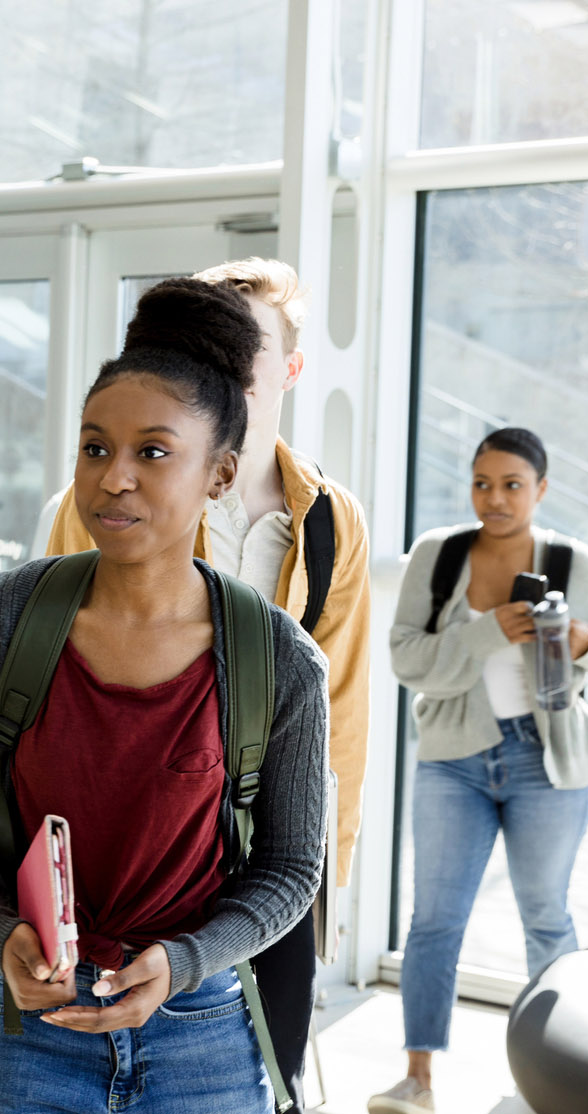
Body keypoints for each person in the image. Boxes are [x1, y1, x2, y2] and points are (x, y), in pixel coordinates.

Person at [0, 279, 330, 1114]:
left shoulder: (279, 660)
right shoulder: (0, 623)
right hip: (28, 1035)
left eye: (153, 452)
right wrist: (2, 936)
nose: (114, 479)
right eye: (94, 447)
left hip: (203, 1039)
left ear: (219, 472)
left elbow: (290, 869)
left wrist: (182, 962)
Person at [39, 259, 370, 1113]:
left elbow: (344, 706)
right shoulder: (103, 497)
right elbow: (52, 685)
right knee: (93, 1057)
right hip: (134, 841)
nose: (221, 364)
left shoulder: (327, 520)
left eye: (245, 347)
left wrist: (326, 863)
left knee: (264, 1067)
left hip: (264, 851)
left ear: (287, 367)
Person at [373, 427, 588, 1114]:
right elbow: (406, 659)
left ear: (540, 490)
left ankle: (558, 1083)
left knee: (546, 920)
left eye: (511, 485)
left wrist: (583, 638)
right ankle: (416, 1080)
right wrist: (490, 627)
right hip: (452, 761)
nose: (493, 498)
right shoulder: (437, 555)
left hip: (545, 763)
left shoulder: (571, 560)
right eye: (481, 484)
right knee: (433, 922)